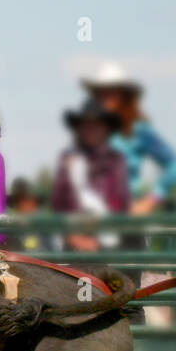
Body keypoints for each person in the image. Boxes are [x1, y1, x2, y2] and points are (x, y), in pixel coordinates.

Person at [80, 61, 176, 215]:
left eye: (111, 92)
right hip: (93, 217)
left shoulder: (137, 130)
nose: (104, 97)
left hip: (126, 216)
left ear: (124, 96)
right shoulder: (87, 131)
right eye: (100, 92)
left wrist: (152, 199)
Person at [50, 98, 130, 254]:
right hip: (73, 241)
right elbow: (59, 204)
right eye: (86, 125)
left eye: (96, 125)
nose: (90, 130)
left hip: (110, 241)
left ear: (106, 128)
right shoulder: (68, 159)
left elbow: (120, 203)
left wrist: (97, 240)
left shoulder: (116, 160)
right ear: (79, 128)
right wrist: (73, 237)